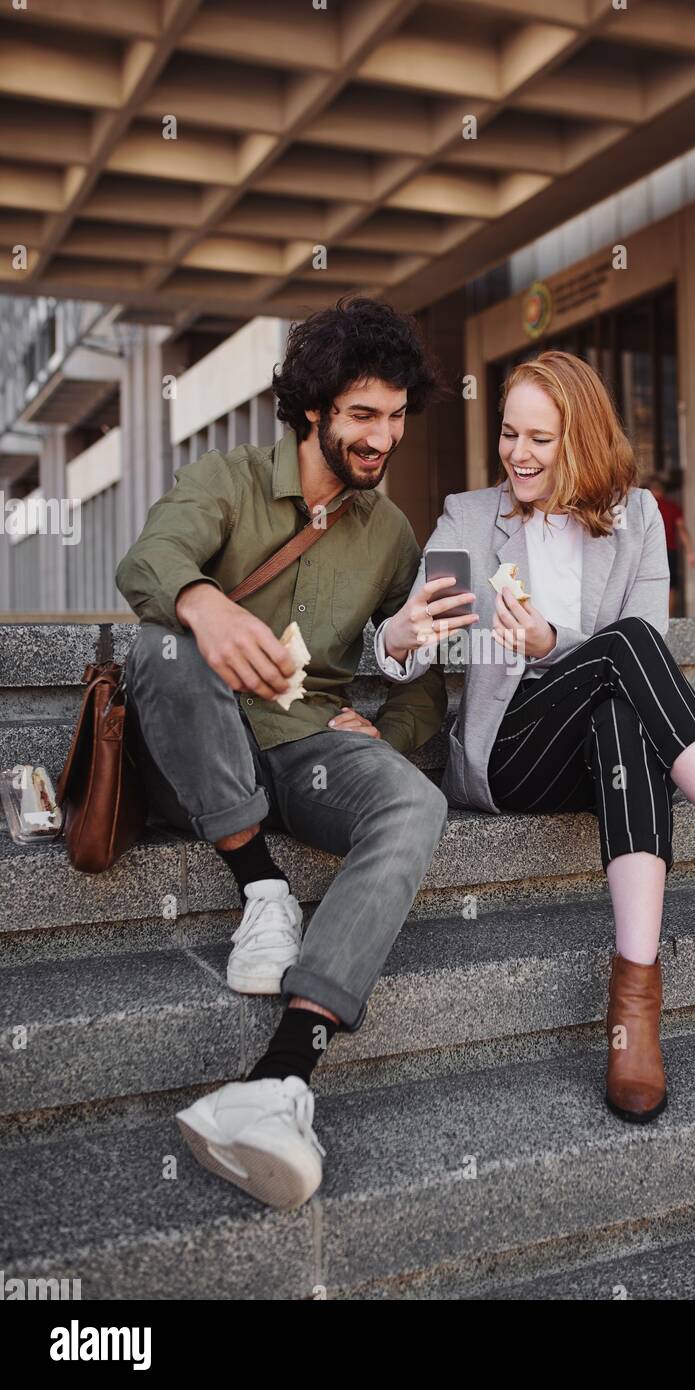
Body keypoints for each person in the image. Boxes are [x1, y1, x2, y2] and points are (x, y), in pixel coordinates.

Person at [374, 349, 695, 1125]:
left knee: (624, 702)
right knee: (620, 651)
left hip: (601, 741)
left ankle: (635, 1007)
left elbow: (646, 647)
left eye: (540, 439)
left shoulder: (637, 517)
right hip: (512, 753)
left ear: (580, 437)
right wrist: (402, 635)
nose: (517, 454)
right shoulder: (469, 517)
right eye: (509, 434)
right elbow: (417, 638)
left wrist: (553, 641)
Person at [115, 297, 479, 1211]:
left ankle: (283, 1076)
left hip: (305, 744)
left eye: (395, 416)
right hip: (193, 746)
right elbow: (149, 560)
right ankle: (260, 888)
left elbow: (419, 681)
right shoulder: (227, 479)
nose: (382, 436)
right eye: (362, 414)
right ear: (313, 408)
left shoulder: (391, 533)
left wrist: (385, 738)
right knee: (162, 641)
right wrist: (207, 606)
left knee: (415, 803)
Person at [648, 472, 695, 617]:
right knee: (670, 587)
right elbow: (682, 530)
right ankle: (670, 619)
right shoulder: (673, 507)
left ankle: (651, 618)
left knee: (649, 584)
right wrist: (690, 552)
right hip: (669, 551)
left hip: (650, 552)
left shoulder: (646, 507)